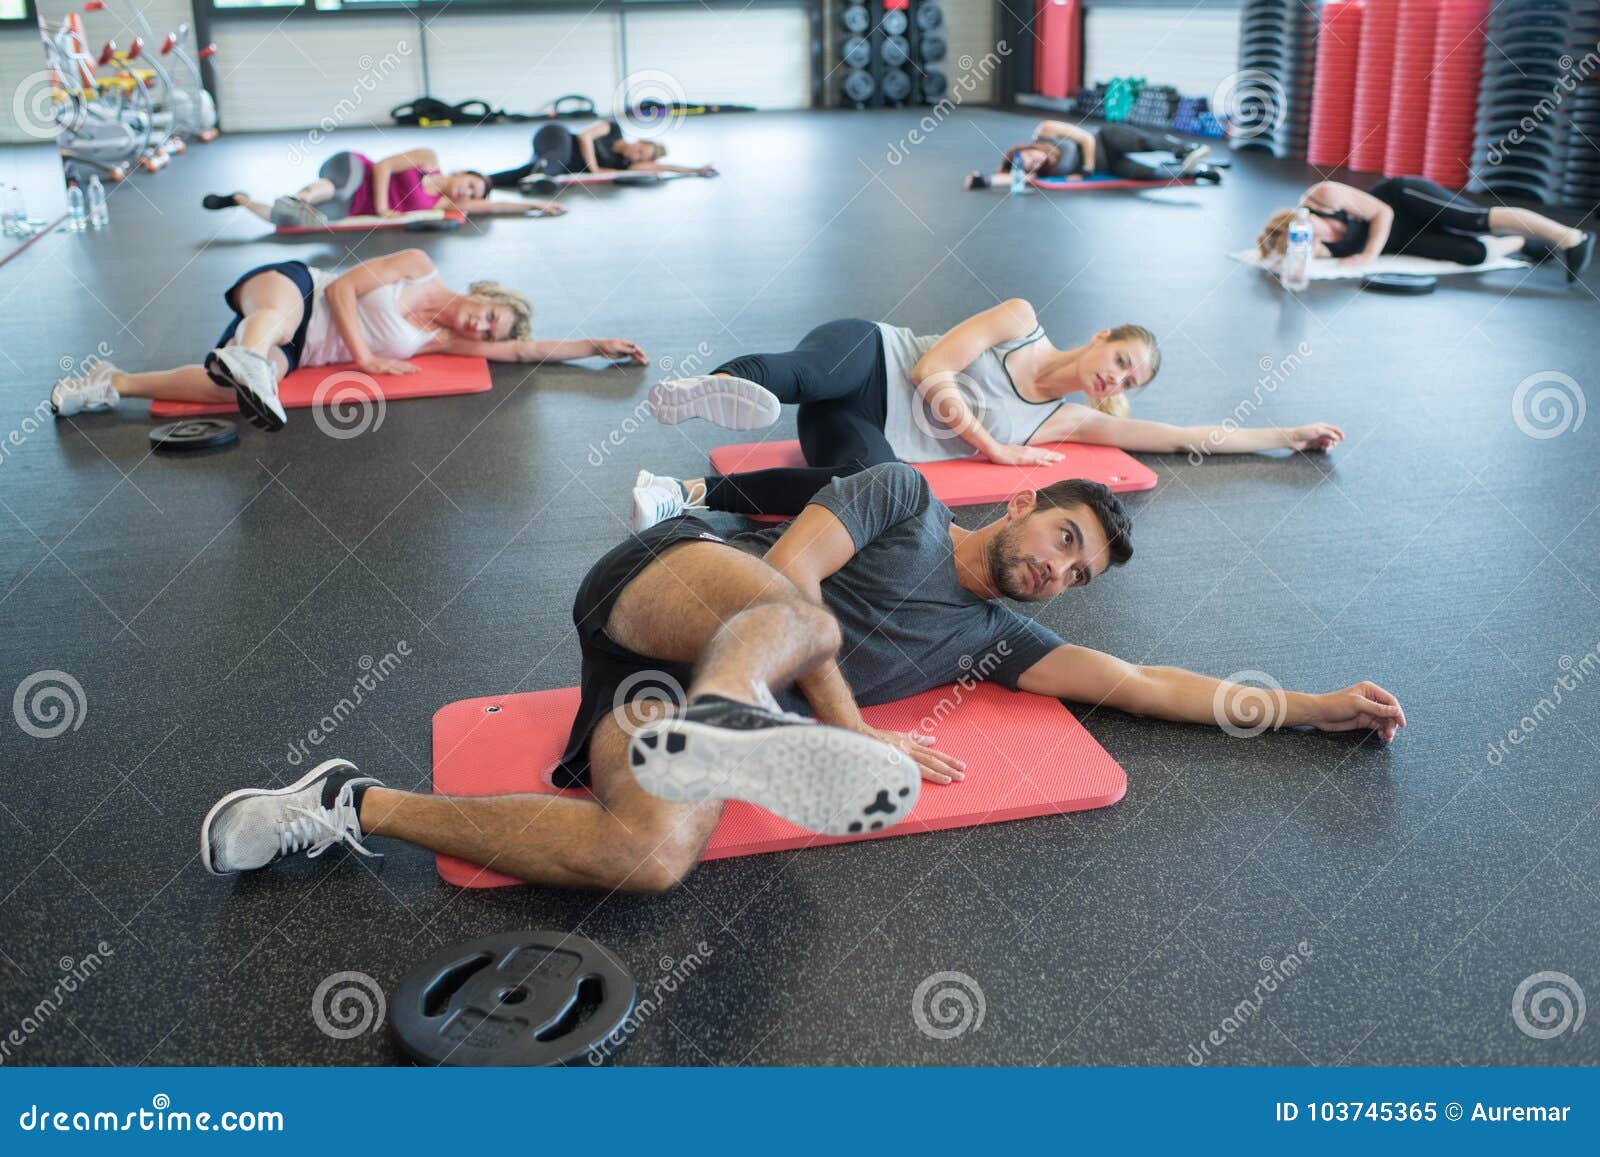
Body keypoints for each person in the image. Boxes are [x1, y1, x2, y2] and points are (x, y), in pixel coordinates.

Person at [199, 463, 1405, 890]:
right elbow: (784, 576)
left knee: (650, 856)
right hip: (670, 586)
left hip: (656, 700)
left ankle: (346, 803)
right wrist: (850, 732)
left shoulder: (1007, 646)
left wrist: (1309, 709)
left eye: (1078, 573)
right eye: (1064, 540)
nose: (1056, 571)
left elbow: (1144, 681)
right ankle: (751, 723)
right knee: (802, 615)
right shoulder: (906, 500)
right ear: (1027, 502)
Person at [628, 300, 1343, 531]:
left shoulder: (1063, 423)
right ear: (1103, 339)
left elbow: (1185, 437)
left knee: (869, 490)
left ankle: (685, 493)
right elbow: (927, 367)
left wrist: (1286, 436)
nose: (1117, 376)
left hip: (858, 429)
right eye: (1122, 358)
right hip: (868, 356)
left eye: (1131, 380)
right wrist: (987, 446)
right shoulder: (1021, 320)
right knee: (807, 372)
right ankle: (710, 388)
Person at [49, 249, 647, 431]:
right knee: (277, 325)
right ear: (486, 293)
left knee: (223, 391)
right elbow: (343, 292)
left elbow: (523, 353)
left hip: (297, 351)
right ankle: (249, 360)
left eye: (490, 331)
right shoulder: (419, 264)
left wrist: (597, 345)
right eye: (491, 315)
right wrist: (366, 359)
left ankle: (113, 382)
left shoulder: (441, 344)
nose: (484, 328)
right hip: (296, 288)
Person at [1257, 177, 1594, 281]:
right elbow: (1291, 264)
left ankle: (1572, 238)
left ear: (1299, 216)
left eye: (1308, 232)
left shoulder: (1323, 196)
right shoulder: (1308, 246)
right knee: (1471, 253)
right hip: (1401, 239)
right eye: (1304, 243)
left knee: (1472, 220)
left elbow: (1383, 213)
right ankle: (1523, 243)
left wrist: (1368, 257)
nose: (1313, 240)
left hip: (1402, 203)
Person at [201, 147, 563, 227]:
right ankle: (301, 196)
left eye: (472, 195)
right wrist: (382, 208)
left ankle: (238, 199)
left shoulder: (440, 205)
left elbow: (496, 208)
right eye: (470, 184)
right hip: (355, 170)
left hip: (355, 209)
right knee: (336, 190)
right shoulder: (428, 159)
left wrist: (536, 207)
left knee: (283, 220)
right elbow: (386, 166)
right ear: (462, 172)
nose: (468, 193)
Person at [965, 119, 1219, 188]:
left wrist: (1085, 169)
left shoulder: (1045, 131)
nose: (1036, 162)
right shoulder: (1040, 172)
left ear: (1027, 148)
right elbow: (1013, 178)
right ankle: (1198, 171)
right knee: (1149, 175)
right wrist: (982, 180)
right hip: (1108, 167)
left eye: (1032, 158)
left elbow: (1085, 138)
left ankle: (1186, 150)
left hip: (1105, 141)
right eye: (1032, 166)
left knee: (1144, 142)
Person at [488, 121, 717, 190]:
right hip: (556, 136)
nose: (635, 156)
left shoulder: (622, 164)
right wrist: (595, 168)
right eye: (640, 150)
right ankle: (540, 179)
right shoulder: (613, 129)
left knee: (529, 170)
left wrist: (696, 170)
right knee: (558, 157)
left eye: (640, 158)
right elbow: (585, 137)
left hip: (557, 162)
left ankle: (487, 180)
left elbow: (663, 168)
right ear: (638, 140)